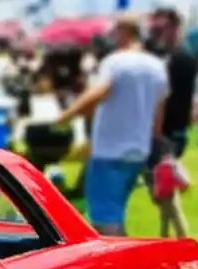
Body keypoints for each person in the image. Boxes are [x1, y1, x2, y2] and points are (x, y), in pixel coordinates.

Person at [55, 15, 167, 236]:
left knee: (104, 218)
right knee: (116, 212)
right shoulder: (158, 67)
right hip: (138, 151)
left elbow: (99, 91)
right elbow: (158, 118)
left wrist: (65, 117)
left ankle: (116, 267)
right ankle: (128, 263)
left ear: (124, 32)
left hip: (110, 150)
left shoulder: (116, 62)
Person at [147, 8, 198, 237]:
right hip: (173, 129)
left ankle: (179, 238)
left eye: (160, 28)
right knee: (163, 187)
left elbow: (164, 97)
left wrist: (156, 128)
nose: (156, 33)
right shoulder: (183, 54)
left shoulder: (178, 57)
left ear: (174, 27)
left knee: (164, 188)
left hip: (167, 130)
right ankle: (168, 236)